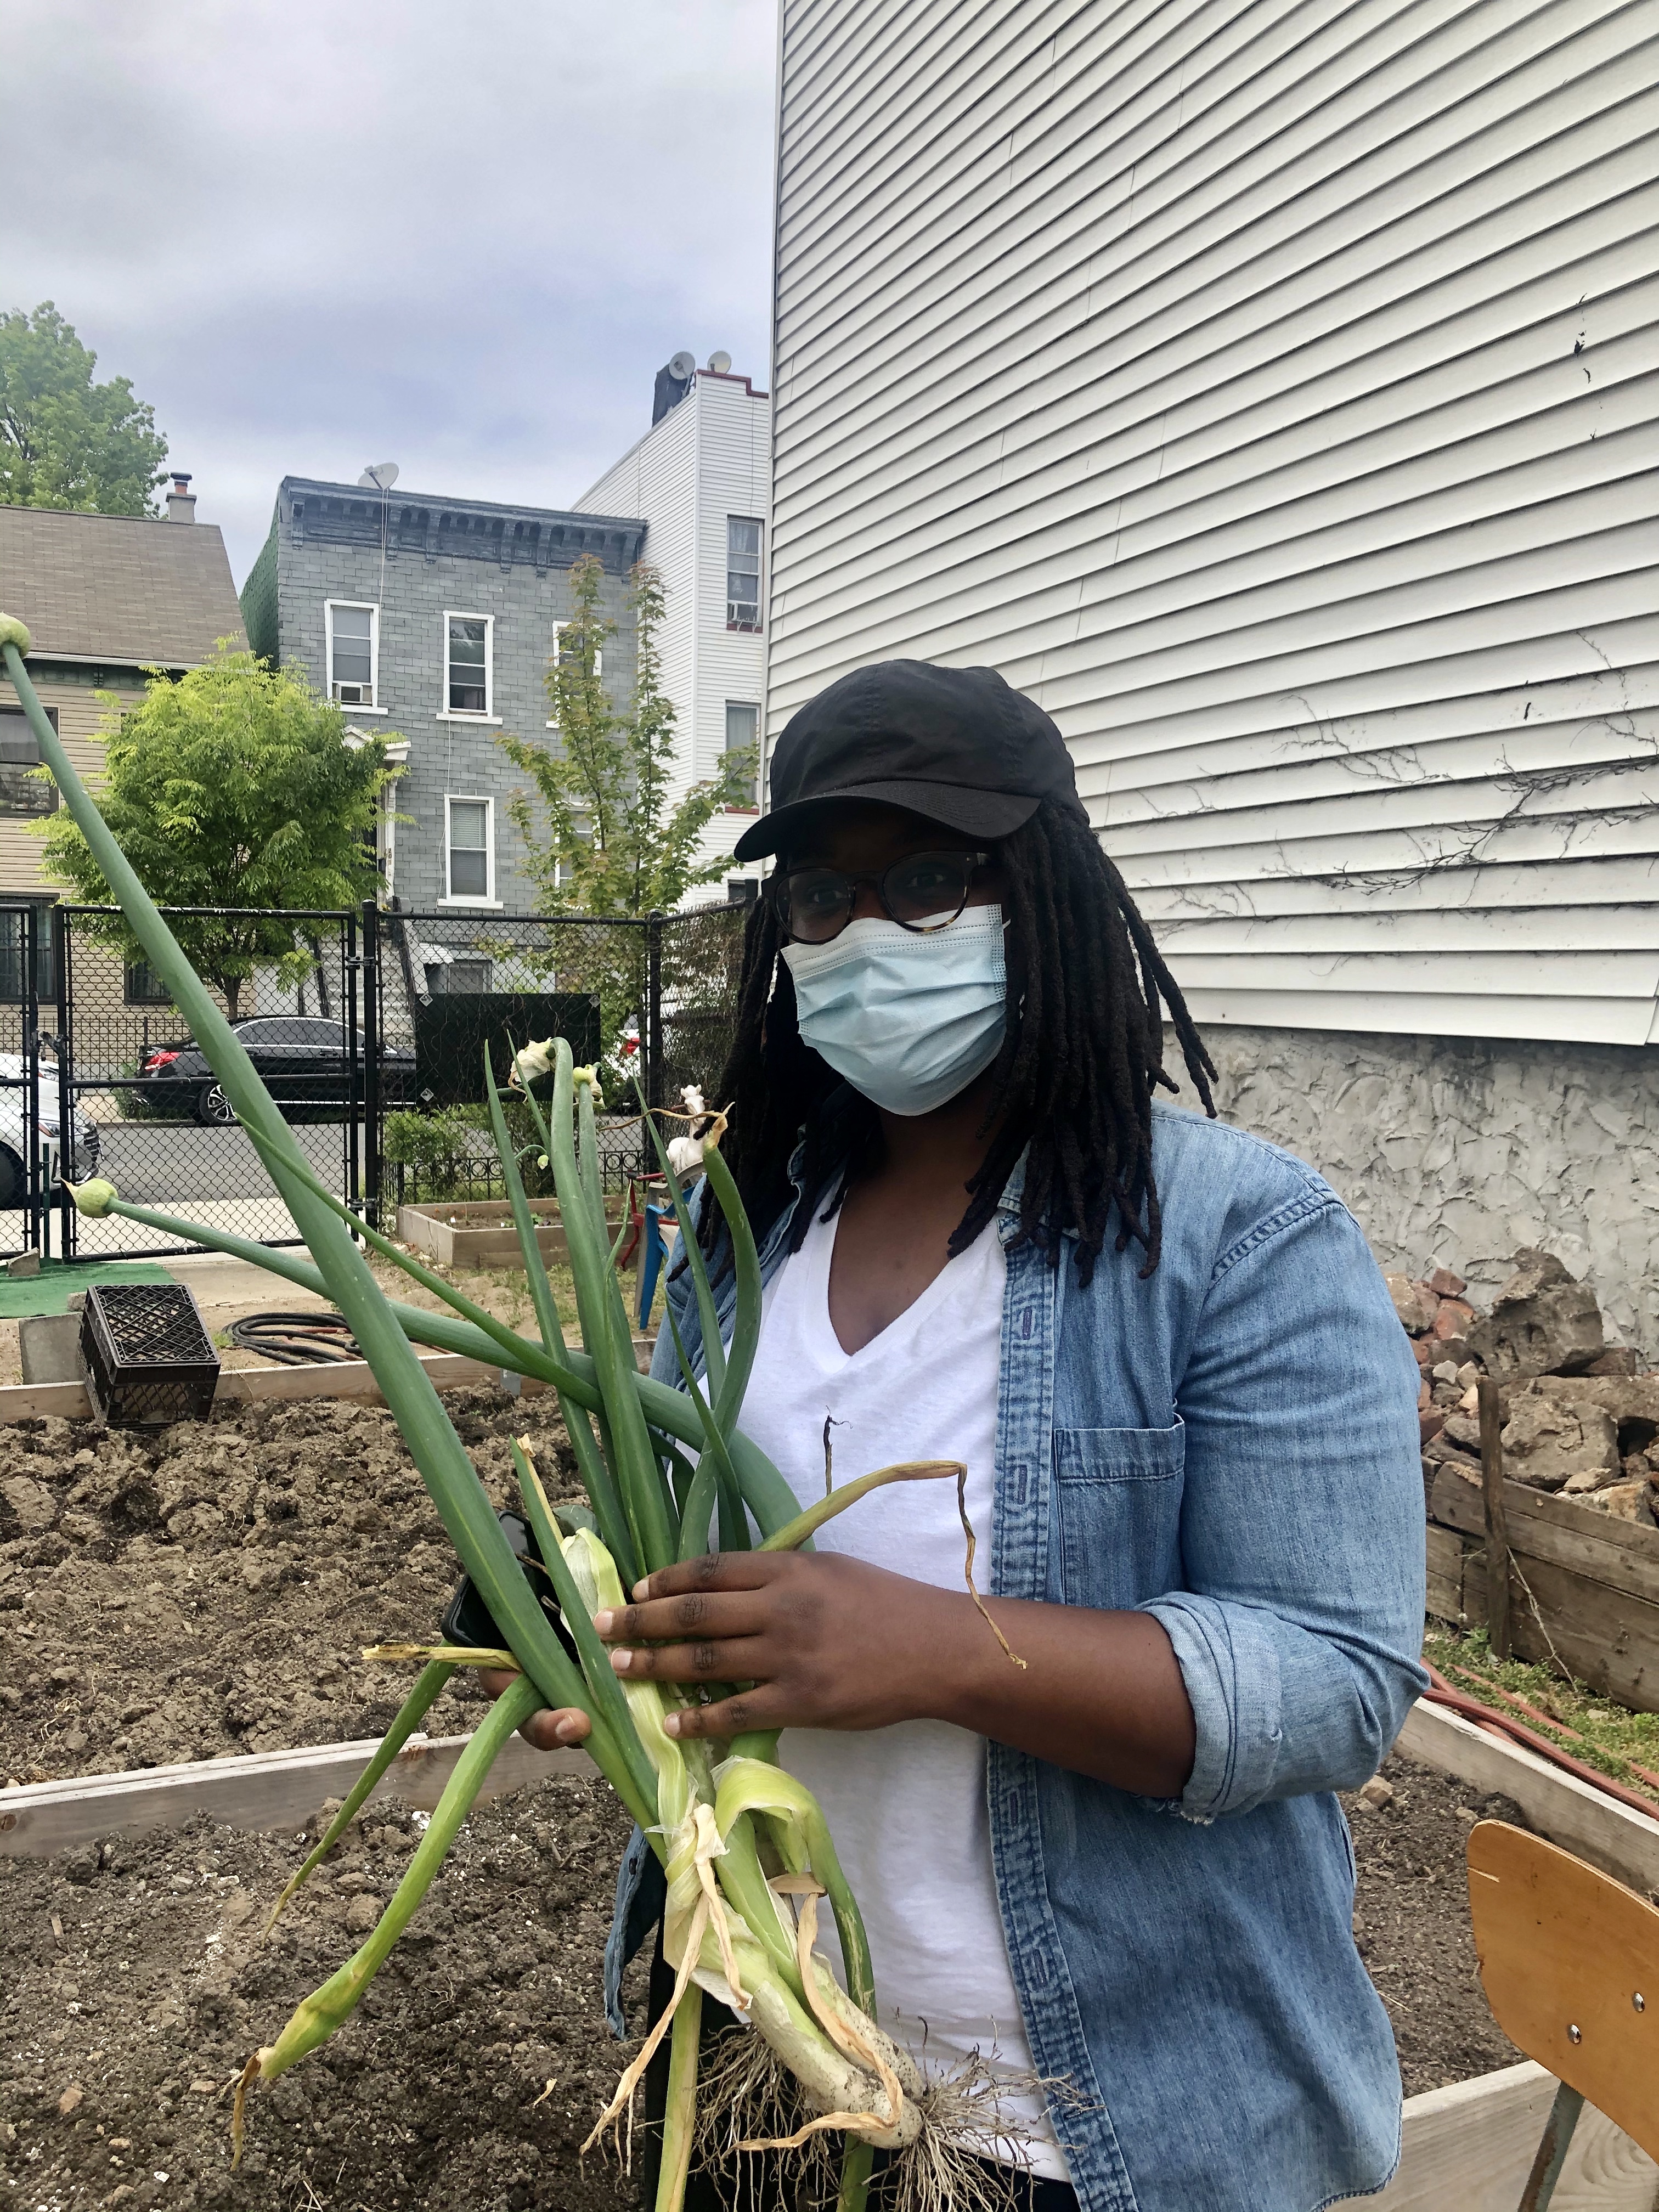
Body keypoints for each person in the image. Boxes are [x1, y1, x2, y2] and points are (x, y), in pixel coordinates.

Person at [488, 661, 1426, 2212]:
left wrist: (938, 1651)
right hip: (750, 2037)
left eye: (930, 880)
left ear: (1044, 895)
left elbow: (1337, 1680)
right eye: (822, 895)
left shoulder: (1238, 1236)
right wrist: (585, 1627)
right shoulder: (748, 1227)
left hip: (1072, 2125)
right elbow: (690, 1544)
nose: (865, 934)